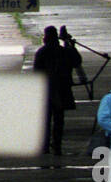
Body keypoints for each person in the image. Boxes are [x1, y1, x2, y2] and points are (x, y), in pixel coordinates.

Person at [32, 26, 80, 155]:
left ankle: (45, 145)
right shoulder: (64, 51)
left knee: (45, 119)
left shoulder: (41, 52)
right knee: (59, 118)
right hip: (62, 89)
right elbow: (77, 62)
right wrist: (70, 45)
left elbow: (36, 73)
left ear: (46, 38)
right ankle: (57, 144)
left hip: (47, 90)